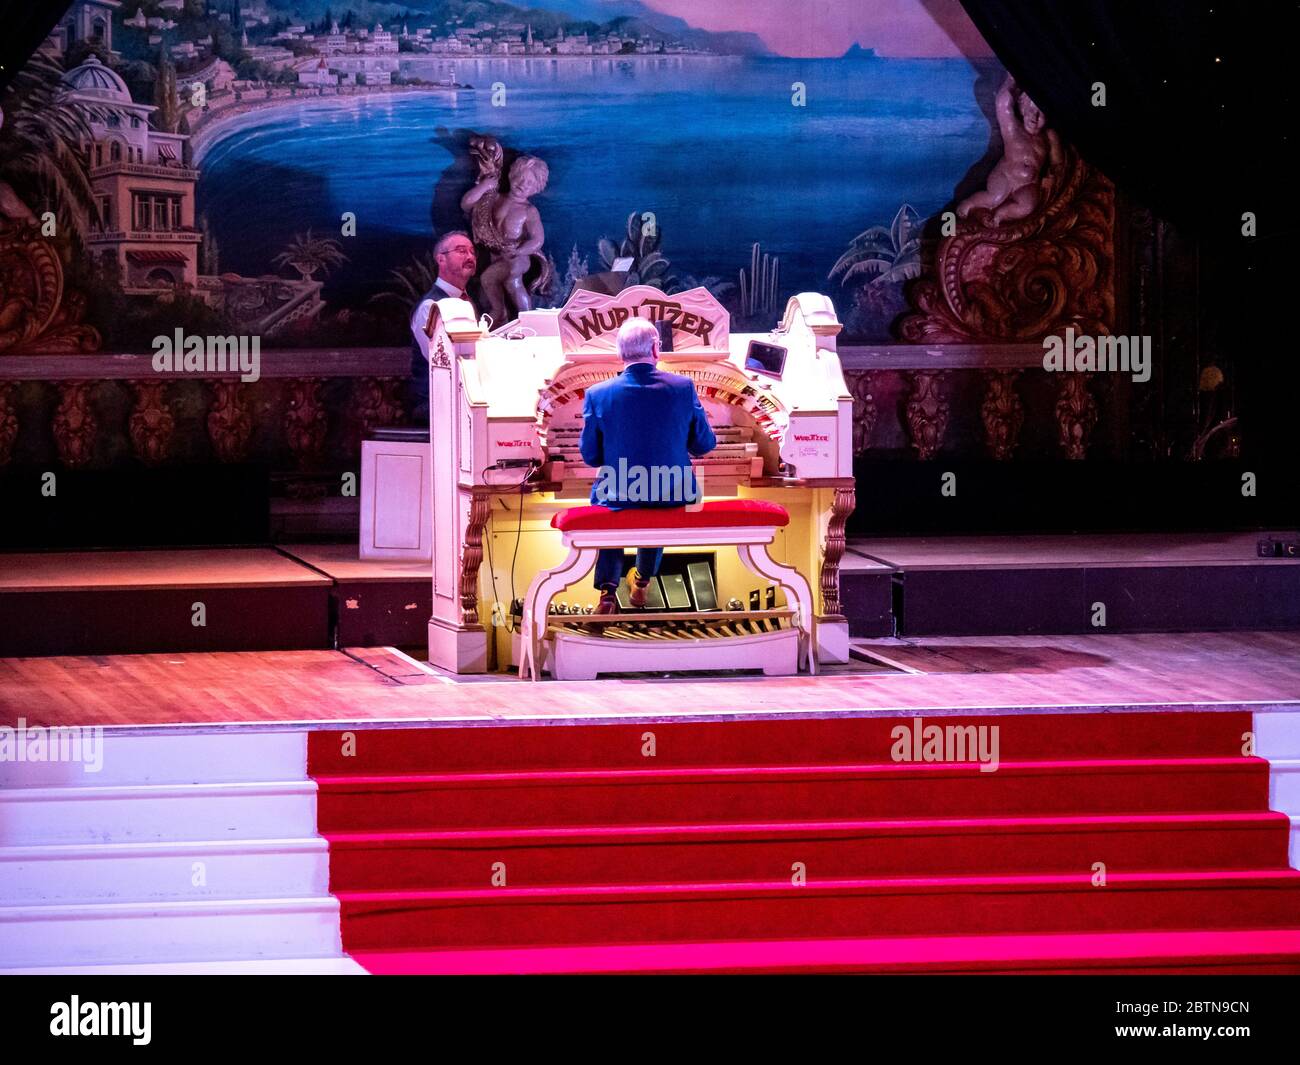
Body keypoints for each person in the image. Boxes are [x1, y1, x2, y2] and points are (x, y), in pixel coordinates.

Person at [579, 318, 716, 614]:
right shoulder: (683, 387)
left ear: (620, 353)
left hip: (621, 492)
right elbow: (704, 444)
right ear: (655, 349)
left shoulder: (597, 393)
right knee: (657, 494)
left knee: (610, 498)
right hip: (674, 493)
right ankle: (642, 580)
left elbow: (590, 456)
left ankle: (607, 592)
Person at [408, 231, 479, 423]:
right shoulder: (431, 307)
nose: (470, 256)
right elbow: (443, 361)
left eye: (472, 252)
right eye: (461, 251)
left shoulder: (466, 302)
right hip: (433, 403)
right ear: (441, 259)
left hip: (460, 396)